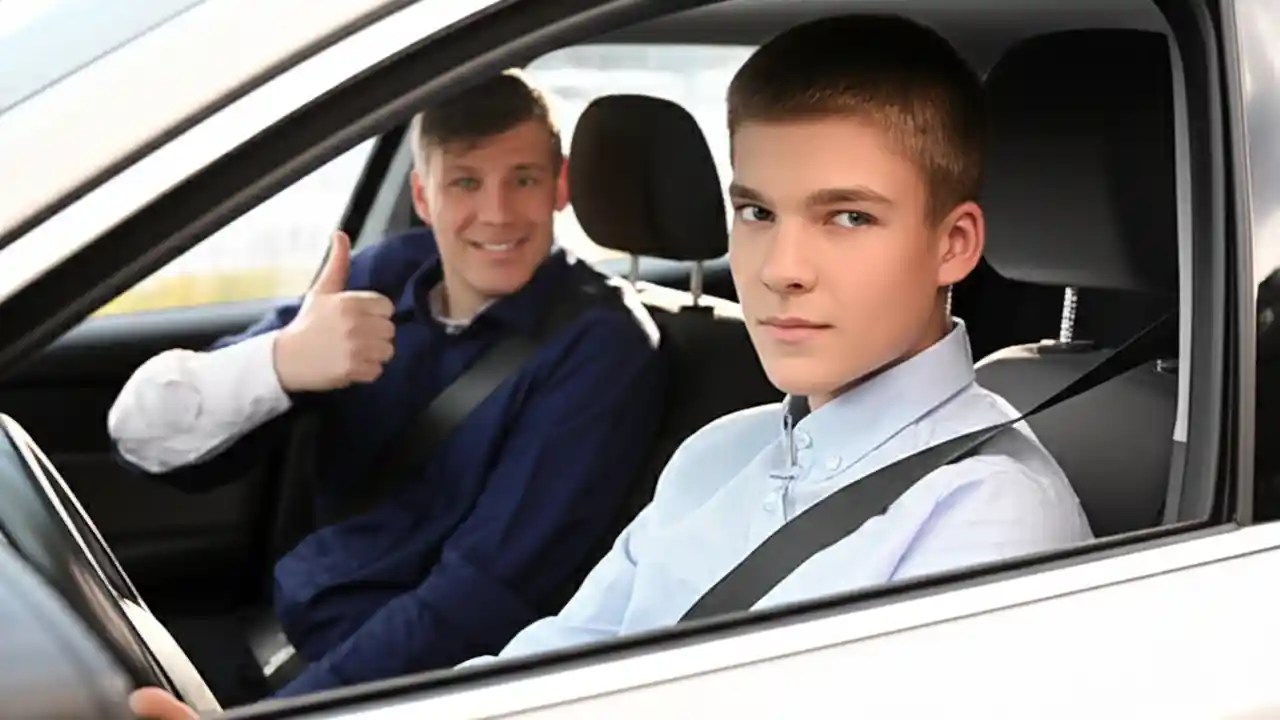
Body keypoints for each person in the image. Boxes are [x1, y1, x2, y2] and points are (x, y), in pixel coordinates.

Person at [128, 14, 1094, 718]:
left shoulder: (984, 516)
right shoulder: (722, 453)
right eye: (757, 211)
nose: (781, 269)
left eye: (848, 216)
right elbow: (548, 664)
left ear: (954, 243)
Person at [108, 70, 666, 704]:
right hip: (272, 639)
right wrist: (283, 362)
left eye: (524, 179)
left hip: (382, 692)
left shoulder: (600, 345)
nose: (498, 213)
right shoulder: (383, 274)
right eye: (464, 181)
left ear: (558, 186)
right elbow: (142, 437)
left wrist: (287, 711)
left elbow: (482, 596)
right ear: (423, 196)